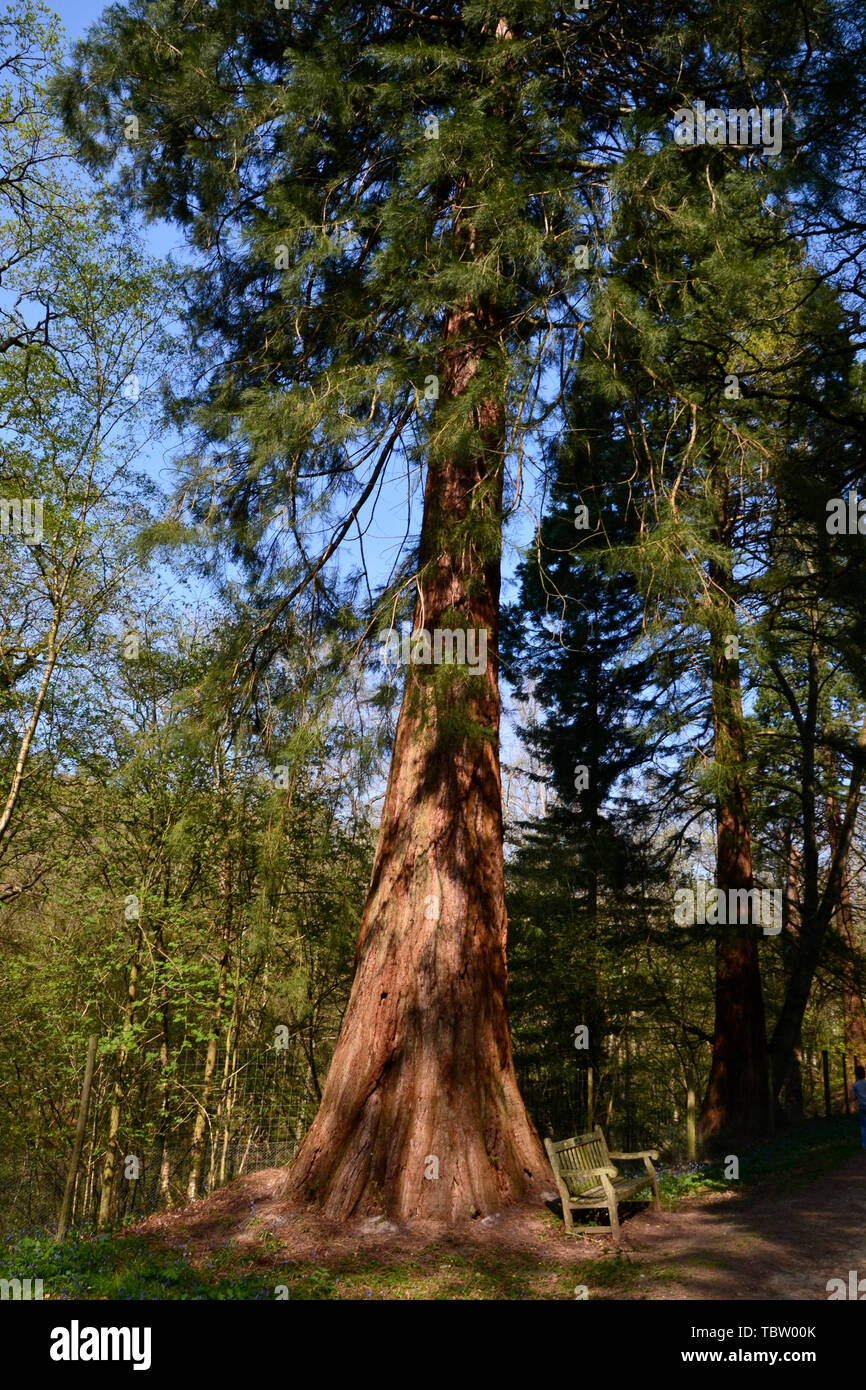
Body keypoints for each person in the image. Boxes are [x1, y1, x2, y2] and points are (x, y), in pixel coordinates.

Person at [851, 1065, 866, 1148]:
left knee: (863, 1126)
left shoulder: (855, 1085)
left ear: (856, 1075)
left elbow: (853, 1098)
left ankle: (864, 1144)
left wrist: (857, 1096)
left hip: (862, 1106)